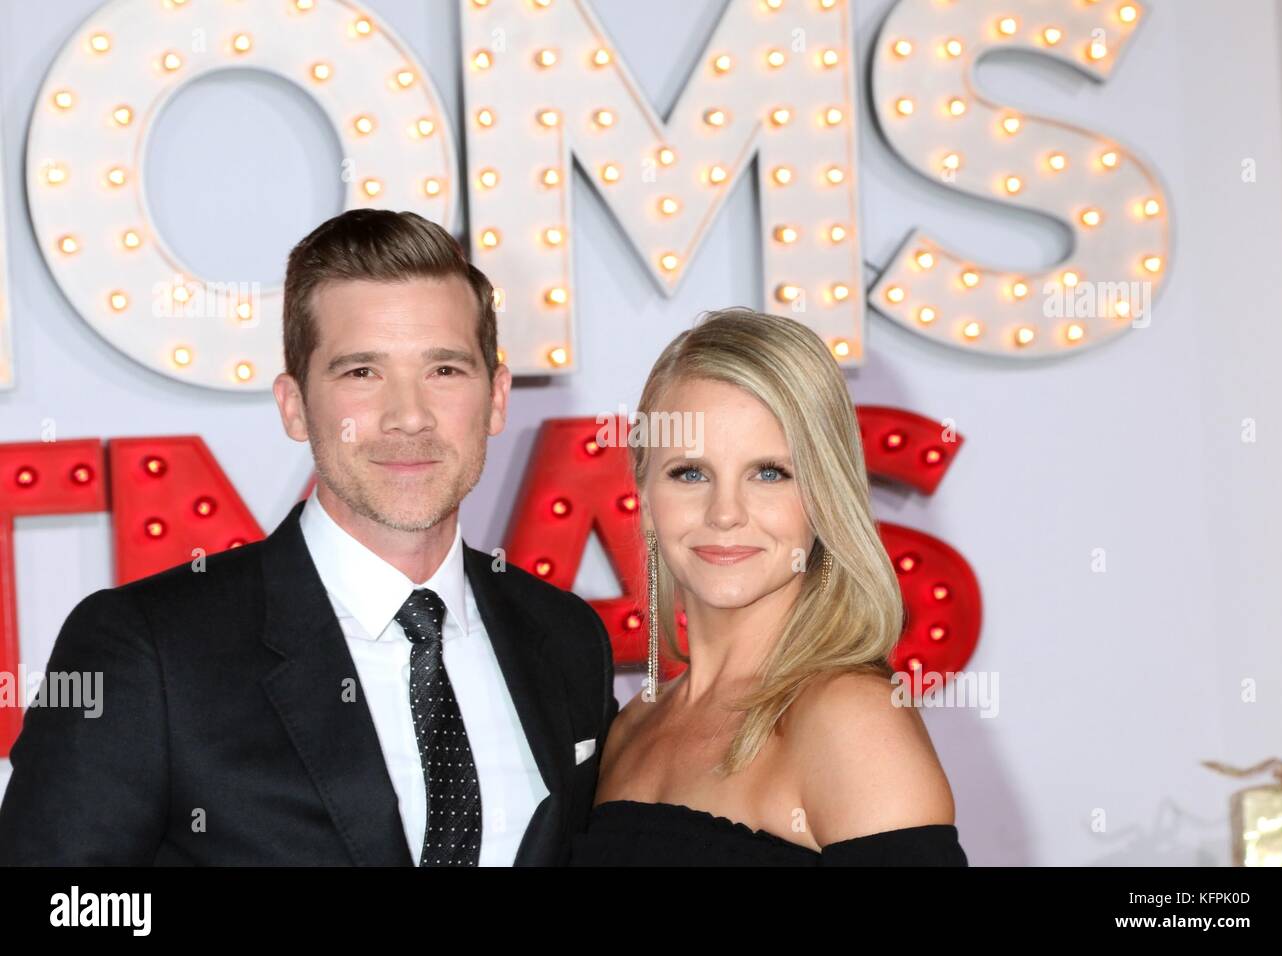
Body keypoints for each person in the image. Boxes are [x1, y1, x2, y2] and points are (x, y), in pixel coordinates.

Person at [0, 209, 616, 866]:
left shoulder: (566, 638)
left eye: (444, 370)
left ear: (496, 397)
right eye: (361, 373)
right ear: (294, 405)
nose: (408, 416)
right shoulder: (147, 649)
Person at [569, 308, 968, 866]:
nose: (725, 513)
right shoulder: (633, 725)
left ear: (826, 493)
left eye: (769, 473)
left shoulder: (851, 720)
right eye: (690, 473)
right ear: (644, 491)